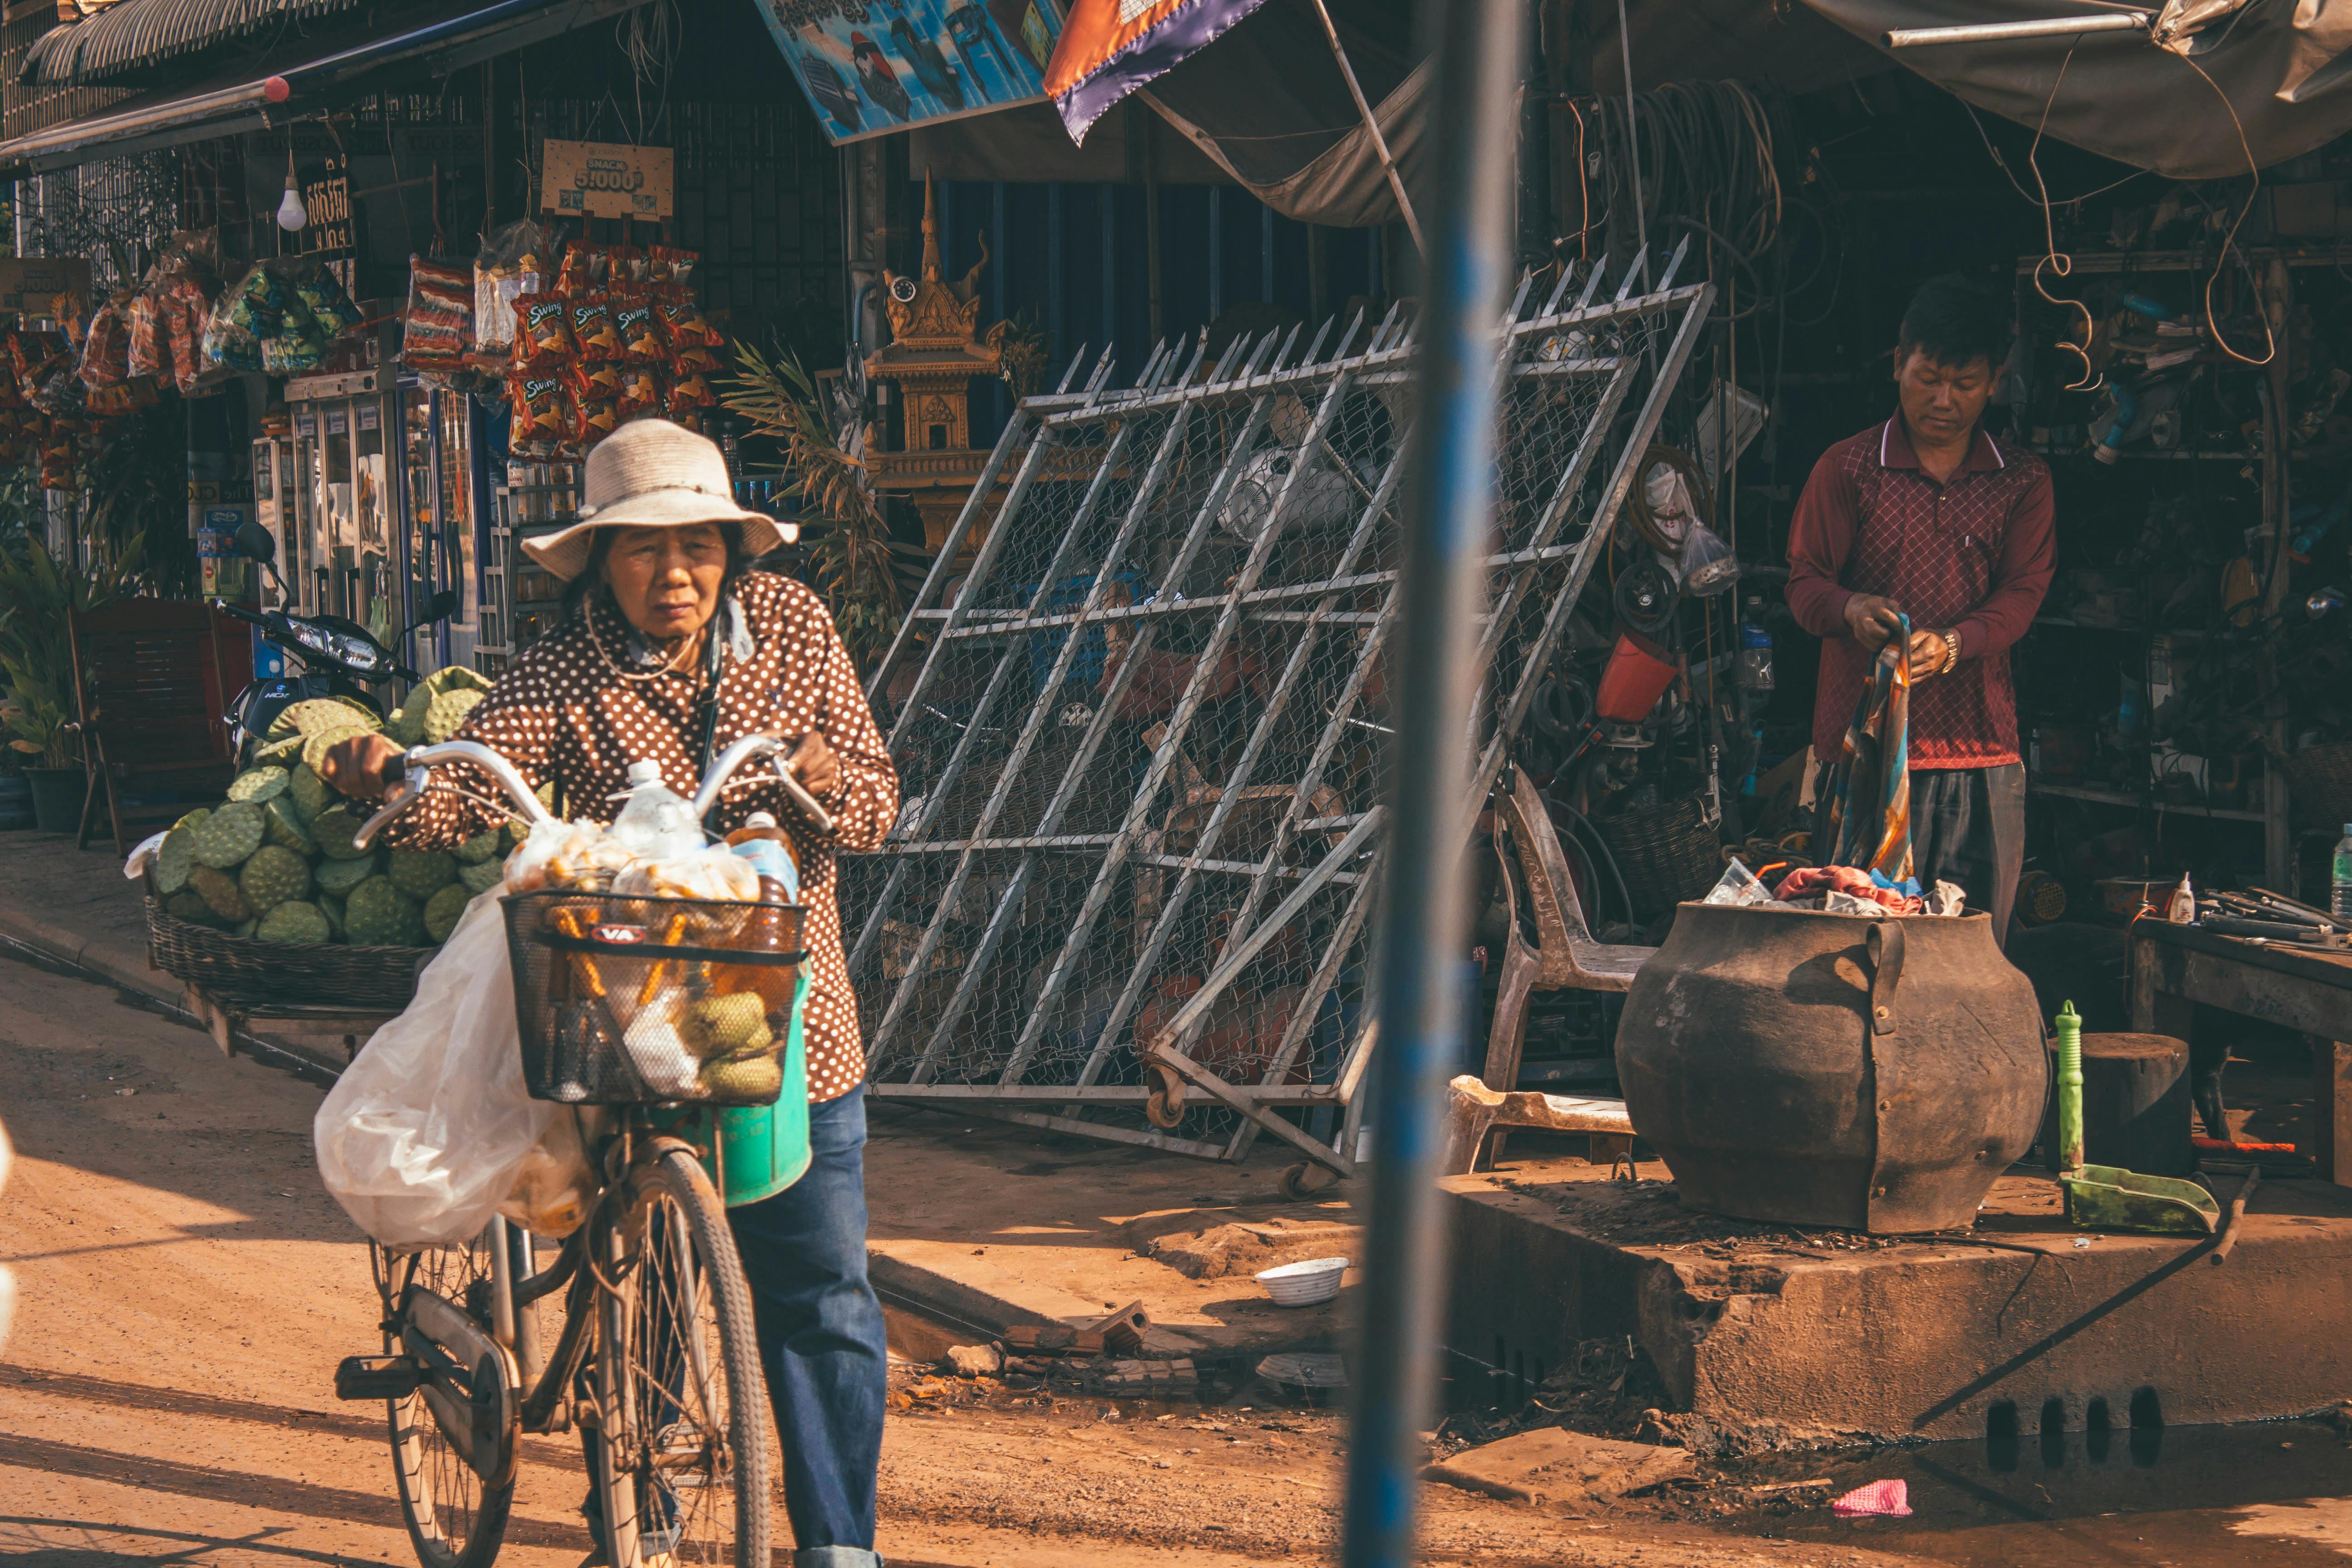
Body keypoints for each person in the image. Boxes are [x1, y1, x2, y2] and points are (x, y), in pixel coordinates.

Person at [322, 418, 899, 1568]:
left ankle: (840, 1550)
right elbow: (473, 788)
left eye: (697, 545)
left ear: (731, 550)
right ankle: (643, 1525)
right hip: (617, 1027)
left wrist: (830, 778)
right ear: (599, 559)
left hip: (783, 1031)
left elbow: (878, 802)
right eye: (643, 548)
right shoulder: (561, 666)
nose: (673, 572)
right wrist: (389, 779)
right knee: (638, 1283)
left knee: (822, 1294)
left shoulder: (795, 626)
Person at [1785, 274, 2055, 943]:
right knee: (1856, 946)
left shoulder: (2021, 480)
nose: (1943, 400)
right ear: (1898, 364)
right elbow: (1805, 585)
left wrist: (1957, 642)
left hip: (1978, 751)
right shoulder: (1847, 469)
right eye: (1928, 378)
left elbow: (2023, 596)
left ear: (1995, 383)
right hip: (1862, 753)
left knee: (1971, 948)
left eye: (1965, 383)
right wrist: (1851, 608)